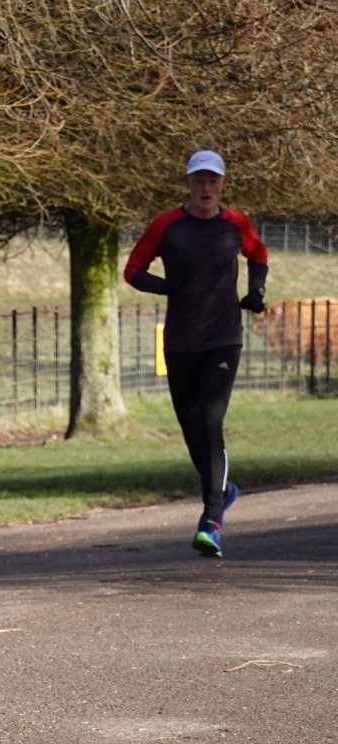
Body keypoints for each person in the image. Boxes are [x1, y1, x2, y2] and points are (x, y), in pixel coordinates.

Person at [124, 149, 268, 559]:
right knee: (192, 433)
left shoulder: (236, 223)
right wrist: (168, 288)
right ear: (187, 183)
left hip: (223, 339)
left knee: (210, 420)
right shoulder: (167, 225)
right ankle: (223, 489)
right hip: (180, 342)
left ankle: (212, 519)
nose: (206, 188)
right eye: (199, 180)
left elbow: (258, 255)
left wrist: (256, 292)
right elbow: (133, 269)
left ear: (222, 185)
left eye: (213, 181)